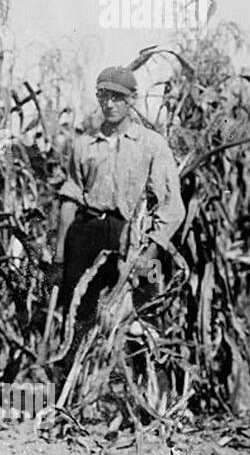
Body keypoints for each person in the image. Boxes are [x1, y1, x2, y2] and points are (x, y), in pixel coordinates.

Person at [52, 66, 185, 367]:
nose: (110, 104)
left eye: (118, 97)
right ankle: (74, 387)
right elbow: (70, 197)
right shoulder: (84, 144)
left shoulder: (152, 144)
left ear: (132, 99)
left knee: (147, 300)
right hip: (86, 234)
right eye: (104, 96)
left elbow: (172, 207)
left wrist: (149, 253)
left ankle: (144, 386)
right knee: (78, 310)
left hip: (137, 240)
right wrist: (60, 253)